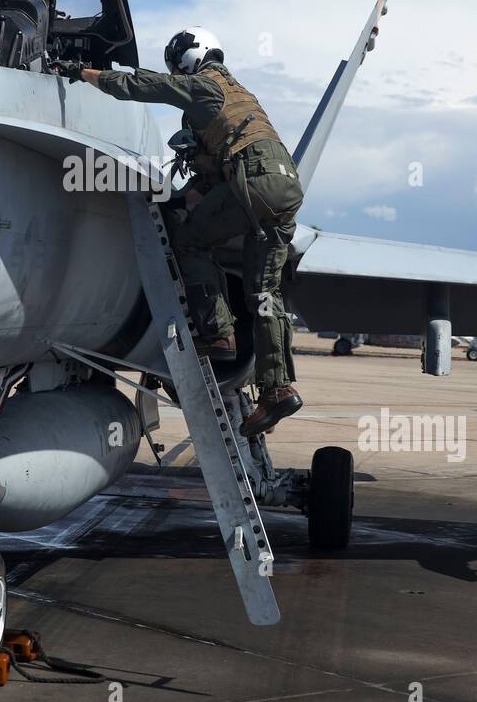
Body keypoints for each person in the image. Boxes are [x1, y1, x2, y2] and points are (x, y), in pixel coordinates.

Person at [57, 28, 304, 436]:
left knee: (190, 242)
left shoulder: (207, 85)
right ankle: (278, 390)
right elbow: (220, 169)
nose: (175, 69)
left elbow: (148, 85)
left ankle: (220, 335)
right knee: (264, 295)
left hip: (253, 183)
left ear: (190, 58)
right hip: (283, 189)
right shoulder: (243, 99)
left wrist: (87, 74)